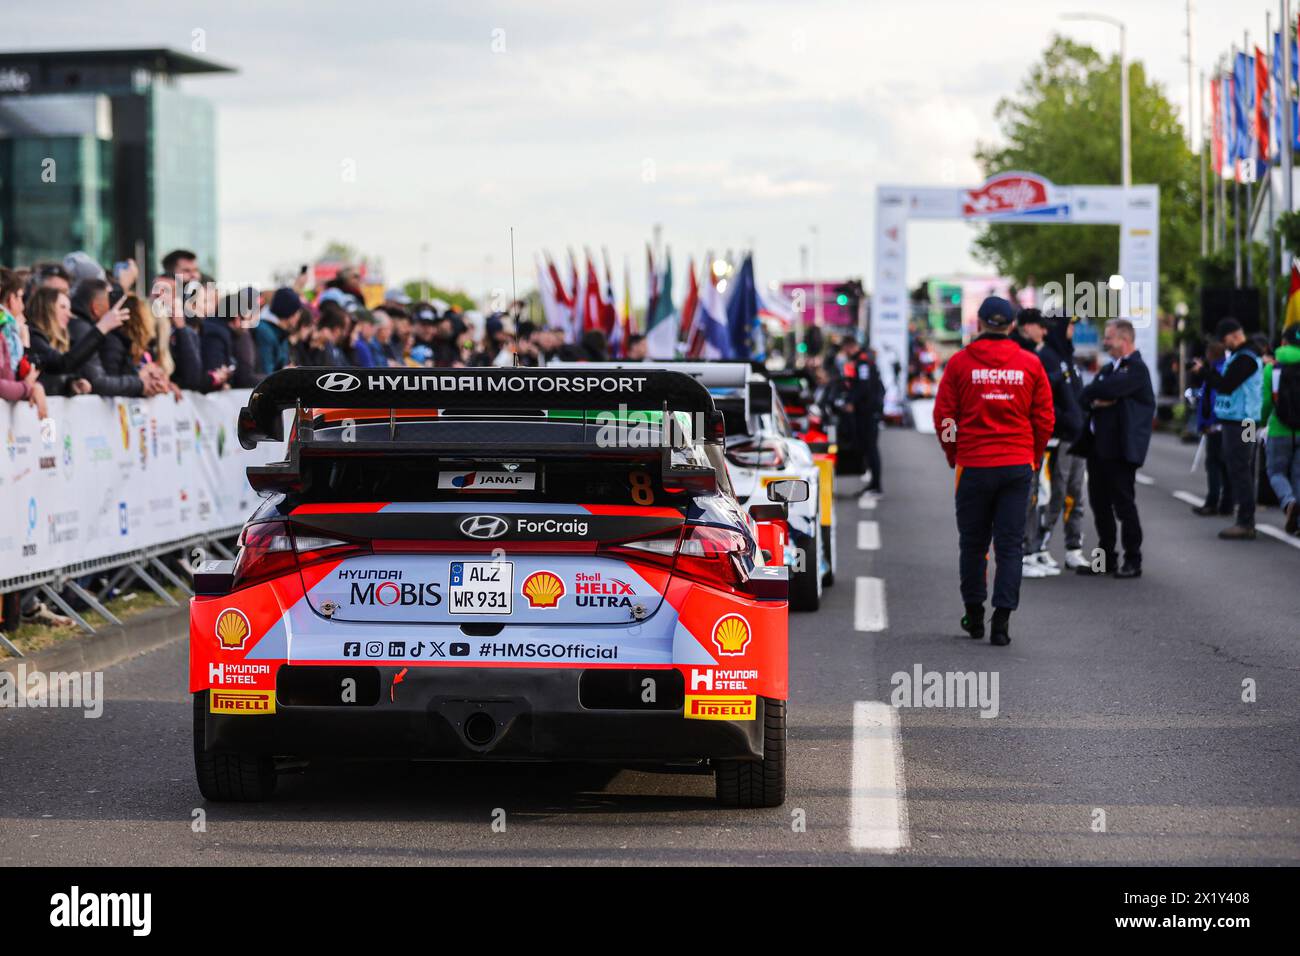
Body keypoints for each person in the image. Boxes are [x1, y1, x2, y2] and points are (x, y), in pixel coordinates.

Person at [932, 296, 1054, 646]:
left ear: (979, 323)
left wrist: (954, 451)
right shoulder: (1030, 364)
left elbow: (945, 418)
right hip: (1017, 465)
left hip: (974, 465)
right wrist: (1032, 455)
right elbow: (1044, 418)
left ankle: (974, 614)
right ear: (1012, 326)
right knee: (1011, 546)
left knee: (973, 544)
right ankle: (1002, 621)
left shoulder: (959, 364)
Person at [1077, 318, 1154, 577]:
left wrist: (1103, 394)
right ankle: (1105, 558)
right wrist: (1101, 398)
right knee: (1099, 506)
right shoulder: (1110, 369)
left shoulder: (1137, 369)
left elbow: (1105, 389)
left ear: (1124, 339)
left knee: (1123, 505)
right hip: (1098, 449)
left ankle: (1134, 559)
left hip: (1120, 451)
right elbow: (1088, 394)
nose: (1105, 343)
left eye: (1109, 338)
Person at [1190, 318, 1263, 540]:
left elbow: (1226, 385)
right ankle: (1244, 517)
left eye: (1224, 340)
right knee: (1241, 466)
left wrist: (1204, 372)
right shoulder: (1243, 356)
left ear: (1234, 335)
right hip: (1241, 420)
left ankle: (1245, 521)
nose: (1224, 345)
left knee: (1240, 467)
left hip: (1243, 422)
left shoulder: (1246, 358)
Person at [1261, 323, 1300, 534]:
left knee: (1275, 472)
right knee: (1298, 475)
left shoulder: (1272, 369)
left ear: (1283, 342)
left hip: (1279, 429)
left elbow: (1266, 403)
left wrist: (1252, 428)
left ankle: (1288, 502)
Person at [1190, 340, 1234, 517]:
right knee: (1228, 465)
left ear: (1210, 354)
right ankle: (1227, 503)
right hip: (1235, 425)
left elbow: (1215, 399)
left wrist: (1207, 424)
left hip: (1218, 427)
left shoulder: (1217, 372)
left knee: (1215, 464)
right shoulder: (1225, 369)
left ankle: (1213, 502)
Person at [844, 340, 886, 494]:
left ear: (852, 347)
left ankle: (876, 486)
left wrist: (851, 402)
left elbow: (863, 386)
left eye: (847, 348)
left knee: (871, 448)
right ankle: (873, 484)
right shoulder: (861, 361)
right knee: (868, 448)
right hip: (868, 411)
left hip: (868, 412)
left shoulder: (862, 363)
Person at [254, 287, 303, 374]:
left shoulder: (281, 333)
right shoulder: (265, 332)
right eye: (297, 312)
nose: (299, 316)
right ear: (290, 313)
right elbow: (266, 371)